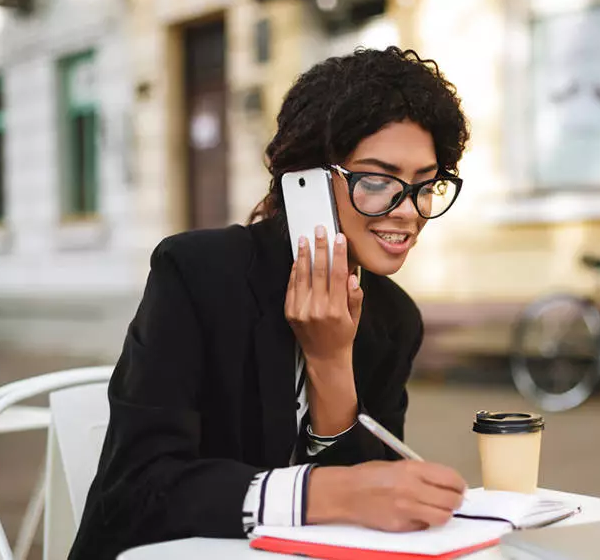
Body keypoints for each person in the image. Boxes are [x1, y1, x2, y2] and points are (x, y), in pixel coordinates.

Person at [69, 46, 471, 560]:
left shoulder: (393, 318)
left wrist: (330, 363)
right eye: (377, 180)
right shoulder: (199, 274)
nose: (409, 211)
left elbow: (374, 513)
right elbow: (137, 492)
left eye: (425, 184)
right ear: (306, 182)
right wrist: (329, 494)